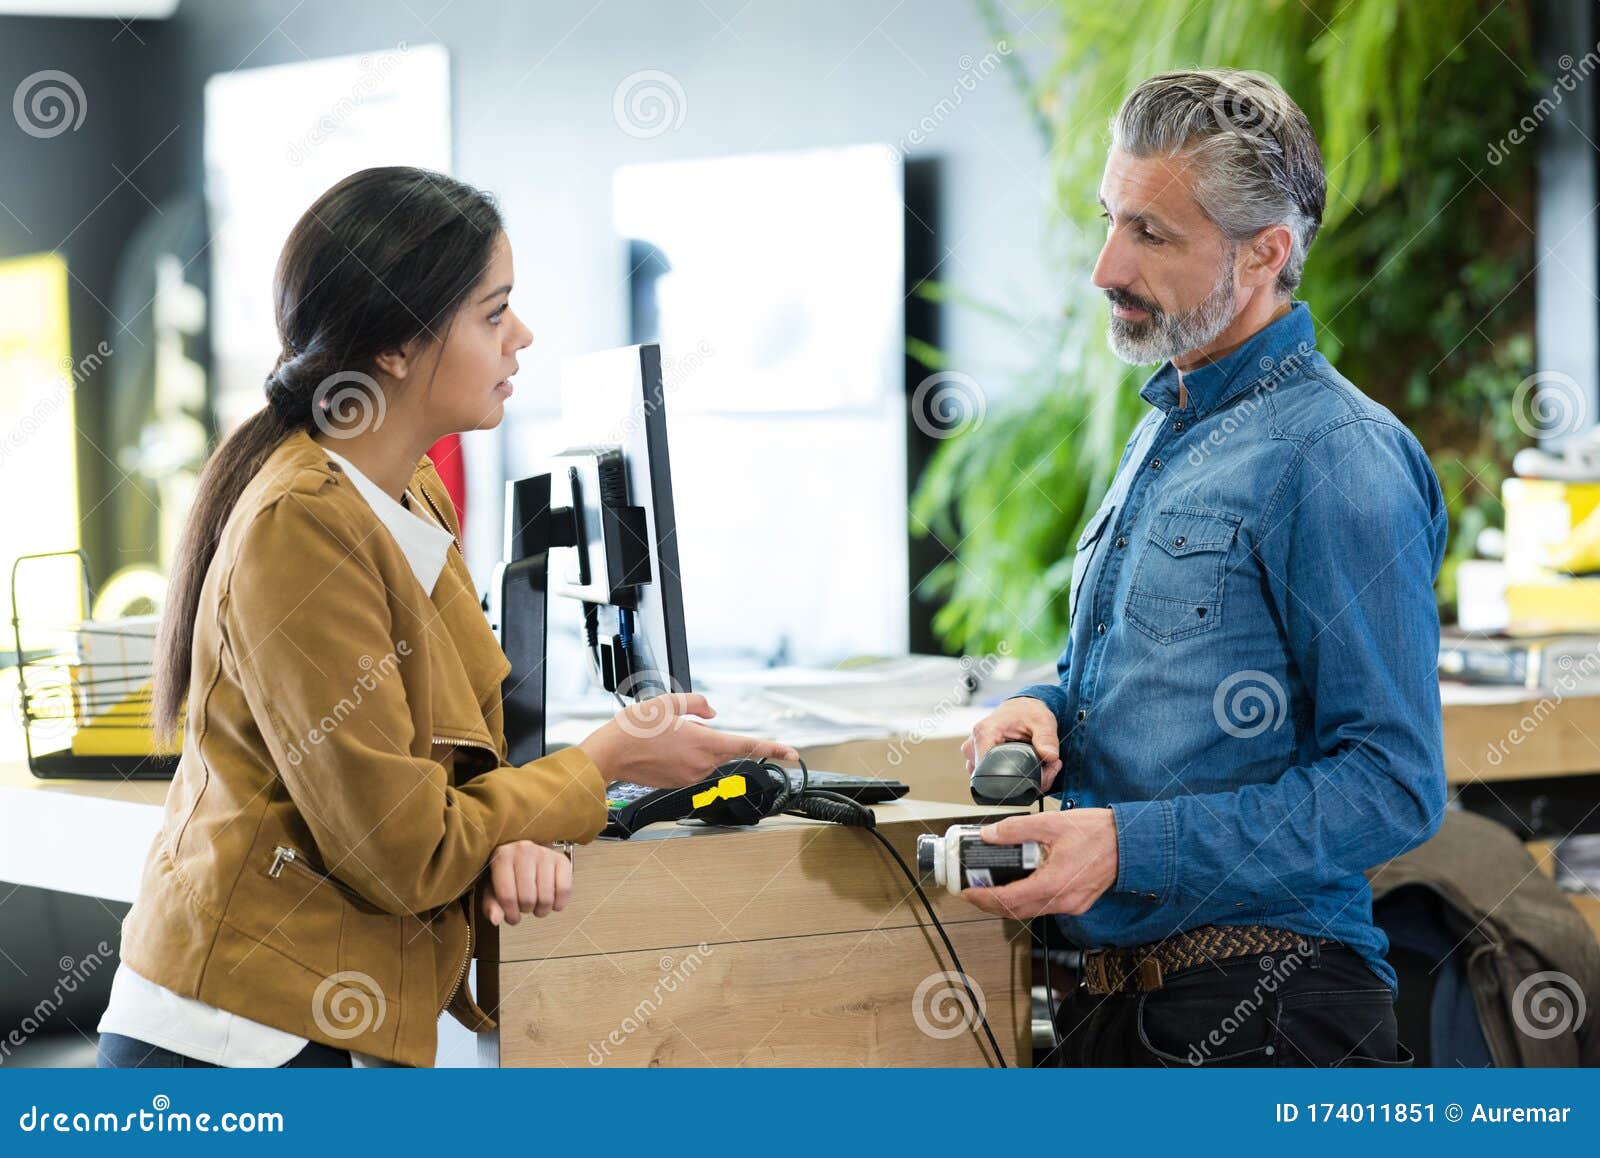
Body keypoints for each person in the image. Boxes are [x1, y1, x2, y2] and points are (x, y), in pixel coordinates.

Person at [96, 167, 796, 1068]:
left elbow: (449, 760)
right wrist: (606, 764)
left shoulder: (408, 490)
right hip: (237, 1039)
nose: (522, 338)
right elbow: (405, 848)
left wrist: (521, 829)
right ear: (395, 345)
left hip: (319, 1017)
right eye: (494, 313)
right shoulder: (300, 527)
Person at [958, 70, 1447, 1067]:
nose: (1103, 267)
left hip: (1269, 1019)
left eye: (1150, 233)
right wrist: (1043, 705)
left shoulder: (1335, 455)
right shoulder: (1169, 424)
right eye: (1109, 220)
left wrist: (1129, 845)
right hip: (1117, 1014)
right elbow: (1162, 679)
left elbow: (1394, 784)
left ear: (1266, 253)